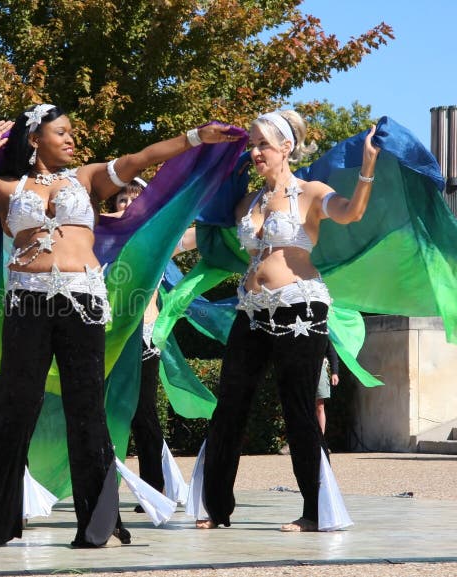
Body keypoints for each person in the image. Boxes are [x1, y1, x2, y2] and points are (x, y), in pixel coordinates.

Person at [0, 104, 236, 547]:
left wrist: (195, 137)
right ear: (36, 139)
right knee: (17, 409)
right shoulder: (5, 189)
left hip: (83, 302)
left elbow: (143, 157)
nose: (72, 138)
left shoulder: (88, 178)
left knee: (86, 410)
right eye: (62, 132)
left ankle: (98, 524)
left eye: (72, 132)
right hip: (27, 304)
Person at [192, 109, 379, 532]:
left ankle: (316, 510)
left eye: (263, 144)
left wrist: (367, 166)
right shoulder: (247, 202)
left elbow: (350, 212)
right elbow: (200, 233)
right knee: (230, 404)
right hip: (252, 309)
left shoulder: (309, 192)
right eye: (252, 145)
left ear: (286, 148)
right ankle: (216, 506)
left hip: (301, 307)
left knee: (297, 406)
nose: (256, 152)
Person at [107, 179, 197, 508]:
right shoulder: (103, 239)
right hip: (108, 337)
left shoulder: (159, 242)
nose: (127, 206)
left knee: (142, 412)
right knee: (103, 411)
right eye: (120, 200)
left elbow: (195, 236)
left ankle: (153, 487)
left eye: (134, 201)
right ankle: (102, 487)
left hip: (143, 334)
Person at [316, 340, 340, 434]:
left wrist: (335, 372)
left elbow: (331, 352)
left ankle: (320, 441)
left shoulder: (321, 328)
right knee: (302, 407)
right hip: (301, 368)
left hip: (318, 367)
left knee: (319, 406)